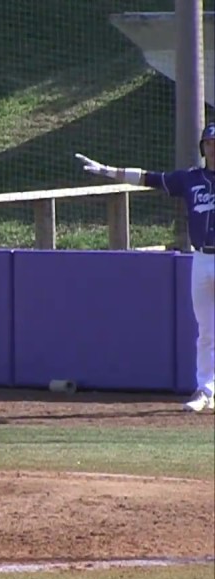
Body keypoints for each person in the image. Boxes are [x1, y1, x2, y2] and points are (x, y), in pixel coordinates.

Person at [76, 124, 215, 413]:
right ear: (203, 147)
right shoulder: (191, 179)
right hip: (201, 258)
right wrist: (107, 170)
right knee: (206, 331)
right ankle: (206, 390)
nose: (214, 147)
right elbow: (148, 178)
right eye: (210, 142)